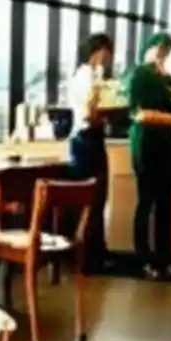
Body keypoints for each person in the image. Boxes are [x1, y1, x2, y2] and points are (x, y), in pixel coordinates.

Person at [124, 32, 171, 280]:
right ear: (149, 48)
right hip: (146, 142)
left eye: (167, 50)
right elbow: (141, 114)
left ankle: (164, 259)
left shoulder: (166, 78)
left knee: (166, 203)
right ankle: (144, 260)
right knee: (147, 200)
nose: (163, 54)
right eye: (160, 48)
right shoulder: (139, 75)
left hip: (166, 143)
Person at [67, 83, 109, 272]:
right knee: (93, 202)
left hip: (84, 146)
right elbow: (88, 116)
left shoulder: (80, 80)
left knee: (92, 203)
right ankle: (90, 258)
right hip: (88, 146)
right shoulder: (86, 80)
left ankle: (91, 257)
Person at [67, 33, 115, 122]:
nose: (111, 57)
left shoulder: (90, 73)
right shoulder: (85, 76)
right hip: (85, 126)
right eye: (109, 52)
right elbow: (91, 103)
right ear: (101, 52)